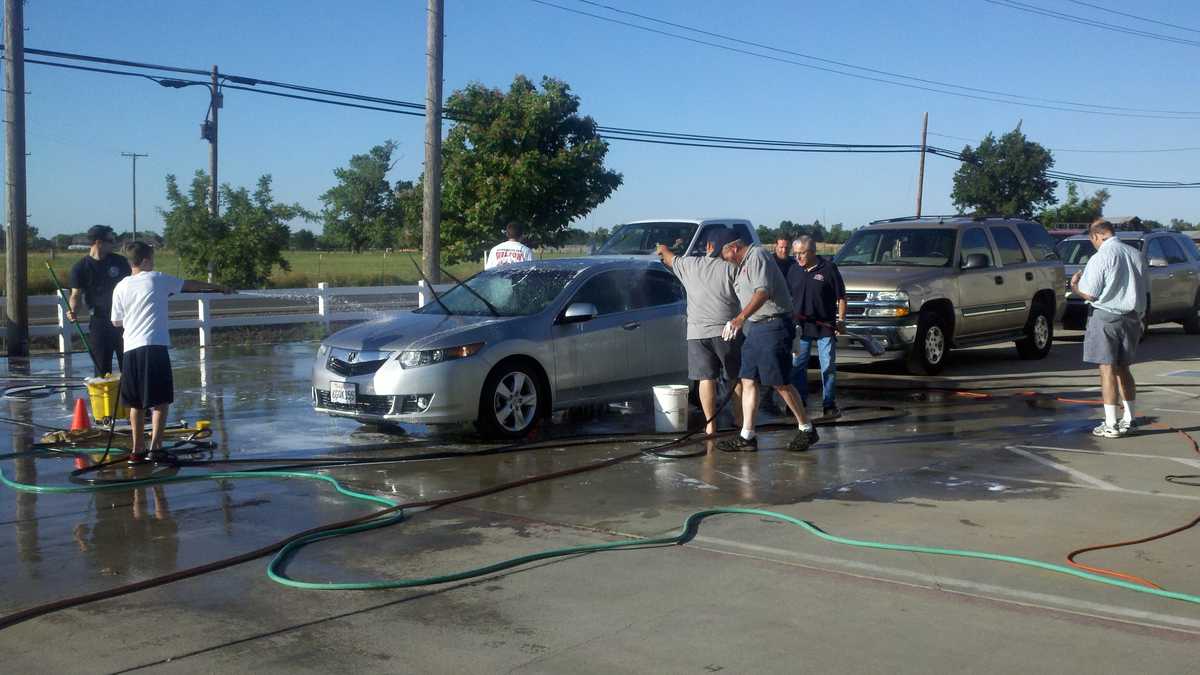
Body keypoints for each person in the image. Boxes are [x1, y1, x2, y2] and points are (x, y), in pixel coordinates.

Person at [110, 242, 233, 464]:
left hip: (130, 350)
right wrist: (218, 287)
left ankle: (137, 450)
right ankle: (156, 449)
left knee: (136, 404)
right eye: (152, 259)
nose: (154, 263)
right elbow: (191, 285)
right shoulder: (156, 278)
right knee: (160, 401)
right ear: (145, 261)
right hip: (153, 347)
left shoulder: (120, 286)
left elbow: (116, 321)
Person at [716, 233, 816, 452]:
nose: (725, 260)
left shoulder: (757, 256)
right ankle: (747, 435)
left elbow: (763, 292)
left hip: (773, 325)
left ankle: (807, 428)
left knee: (779, 381)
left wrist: (740, 318)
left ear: (734, 248)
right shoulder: (742, 265)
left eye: (724, 255)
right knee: (748, 379)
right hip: (756, 327)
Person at [656, 236, 743, 436]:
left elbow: (666, 255)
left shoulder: (689, 264)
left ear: (709, 246)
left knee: (705, 379)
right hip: (726, 331)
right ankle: (740, 420)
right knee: (735, 377)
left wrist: (663, 246)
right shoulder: (731, 268)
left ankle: (710, 425)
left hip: (697, 334)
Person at [1070, 219, 1148, 439]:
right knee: (1124, 368)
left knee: (1107, 369)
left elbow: (1091, 293)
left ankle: (1111, 424)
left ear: (1096, 236)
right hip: (1132, 317)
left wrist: (1075, 287)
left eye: (1092, 240)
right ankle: (1130, 419)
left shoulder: (1101, 256)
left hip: (1106, 316)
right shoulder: (1136, 254)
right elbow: (1144, 288)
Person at [788, 235, 847, 419]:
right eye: (795, 253)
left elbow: (841, 297)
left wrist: (841, 320)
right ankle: (799, 401)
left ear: (813, 252)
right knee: (798, 366)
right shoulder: (793, 270)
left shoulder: (829, 269)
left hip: (825, 327)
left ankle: (829, 403)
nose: (797, 257)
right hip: (800, 327)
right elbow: (786, 296)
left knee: (827, 366)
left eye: (801, 253)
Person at [67, 225, 131, 376]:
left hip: (123, 320)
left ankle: (129, 392)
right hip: (99, 321)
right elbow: (76, 295)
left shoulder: (120, 262)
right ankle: (105, 392)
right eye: (111, 240)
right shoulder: (80, 268)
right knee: (102, 369)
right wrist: (73, 310)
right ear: (98, 242)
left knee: (129, 367)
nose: (114, 243)